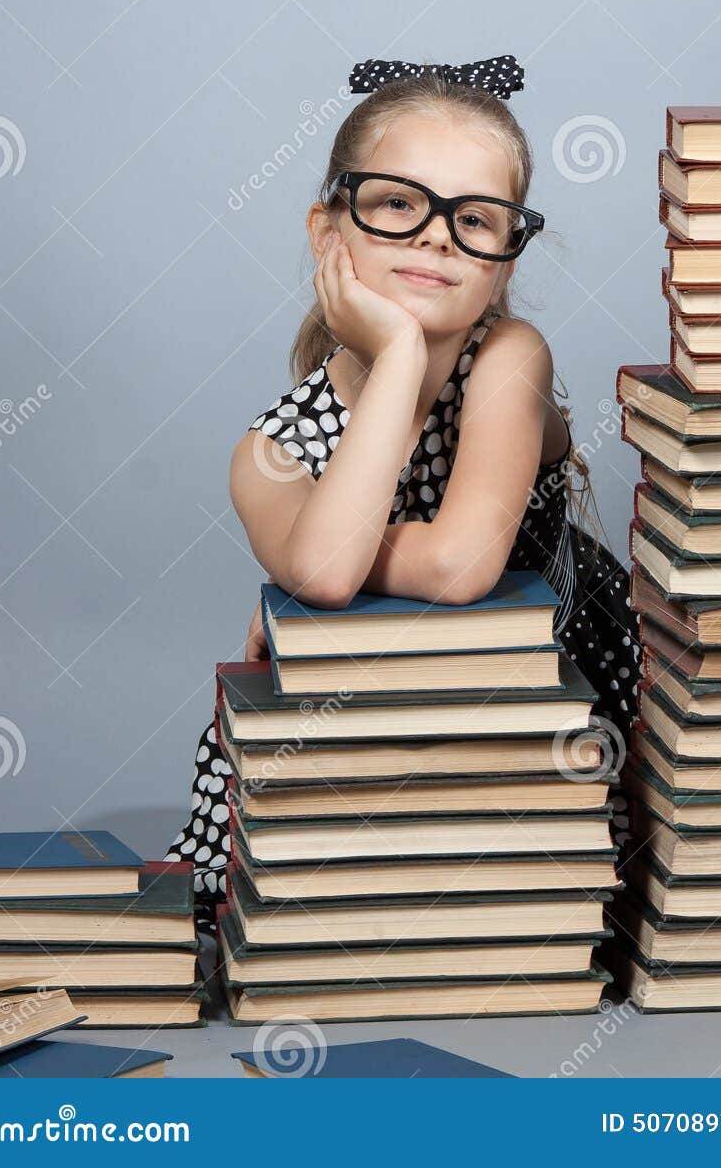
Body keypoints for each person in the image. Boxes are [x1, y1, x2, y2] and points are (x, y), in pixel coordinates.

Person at [163, 53, 641, 931]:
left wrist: (318, 563)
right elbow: (331, 576)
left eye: (475, 220)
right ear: (326, 232)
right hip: (368, 715)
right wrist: (398, 359)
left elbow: (455, 567)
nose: (434, 238)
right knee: (361, 907)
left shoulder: (509, 358)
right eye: (395, 203)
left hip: (538, 698)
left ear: (502, 262)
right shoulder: (269, 452)